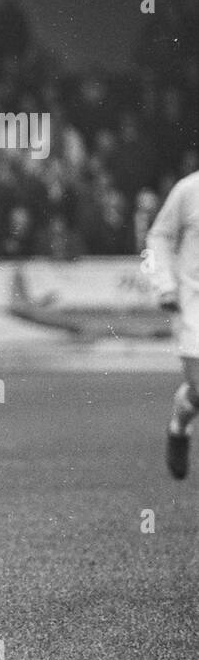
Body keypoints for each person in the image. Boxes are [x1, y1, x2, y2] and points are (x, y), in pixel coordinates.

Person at [145, 171, 199, 480]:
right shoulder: (189, 190)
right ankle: (179, 424)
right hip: (194, 301)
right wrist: (164, 284)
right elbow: (159, 235)